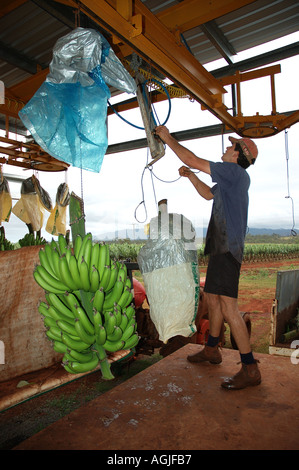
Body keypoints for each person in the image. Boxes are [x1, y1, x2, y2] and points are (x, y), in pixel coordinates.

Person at [154, 125, 261, 390]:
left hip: (227, 249)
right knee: (212, 298)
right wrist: (190, 176)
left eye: (231, 146)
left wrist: (168, 138)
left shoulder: (233, 172)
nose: (226, 148)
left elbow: (192, 158)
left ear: (239, 154)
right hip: (219, 247)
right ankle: (212, 350)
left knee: (227, 306)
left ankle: (250, 368)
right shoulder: (229, 181)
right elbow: (207, 194)